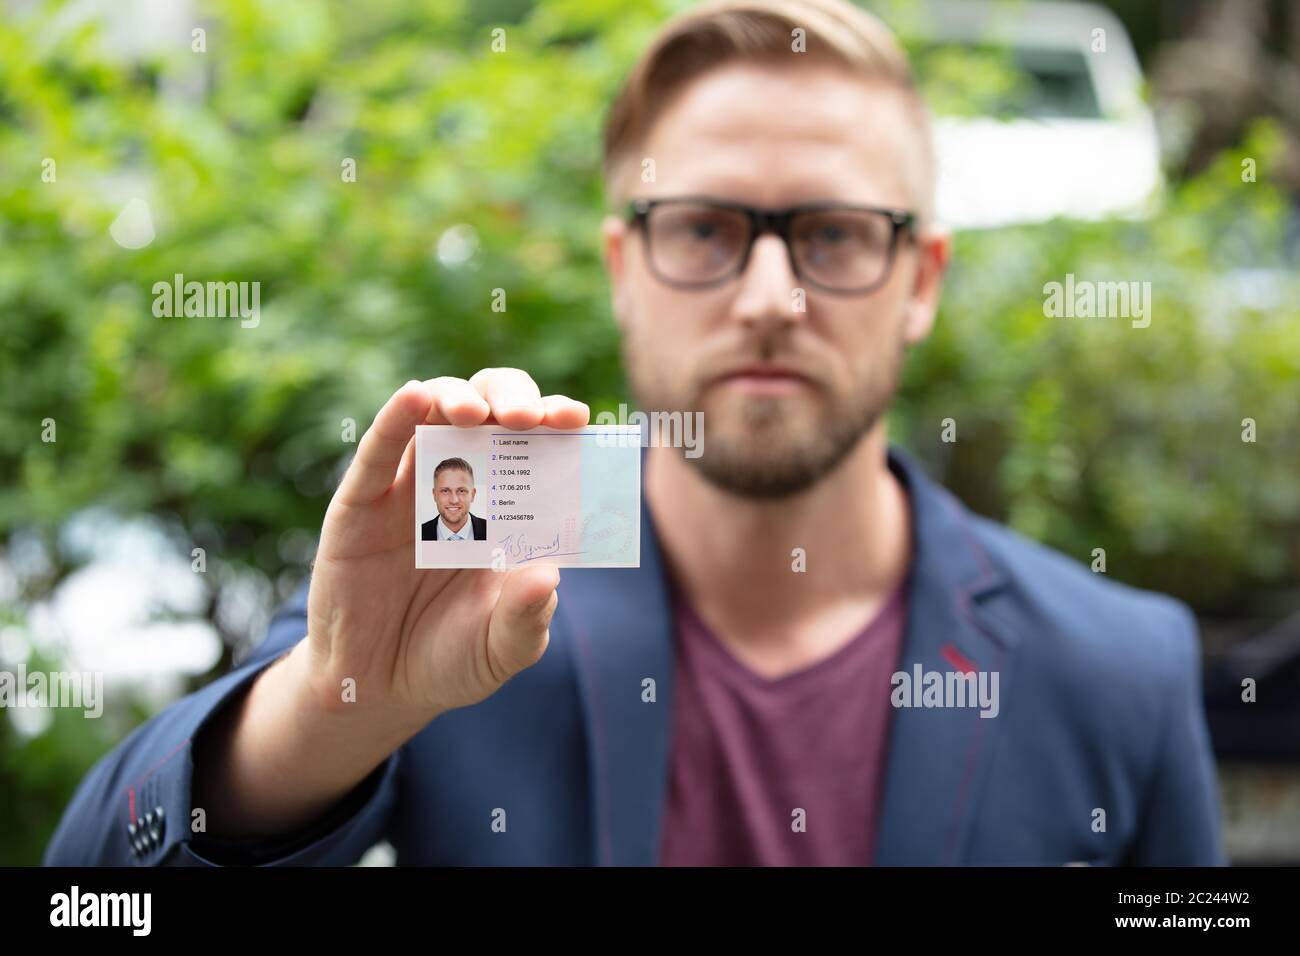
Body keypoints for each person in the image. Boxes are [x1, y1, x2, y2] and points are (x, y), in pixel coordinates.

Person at [45, 0, 1223, 866]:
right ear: (624, 267)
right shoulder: (498, 535)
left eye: (834, 233)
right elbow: (89, 884)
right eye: (705, 230)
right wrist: (333, 703)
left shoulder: (1118, 663)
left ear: (920, 278)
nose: (769, 295)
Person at [421, 457, 487, 541]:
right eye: (445, 491)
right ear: (434, 495)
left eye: (461, 491)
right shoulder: (417, 534)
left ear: (473, 495)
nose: (454, 500)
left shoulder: (494, 531)